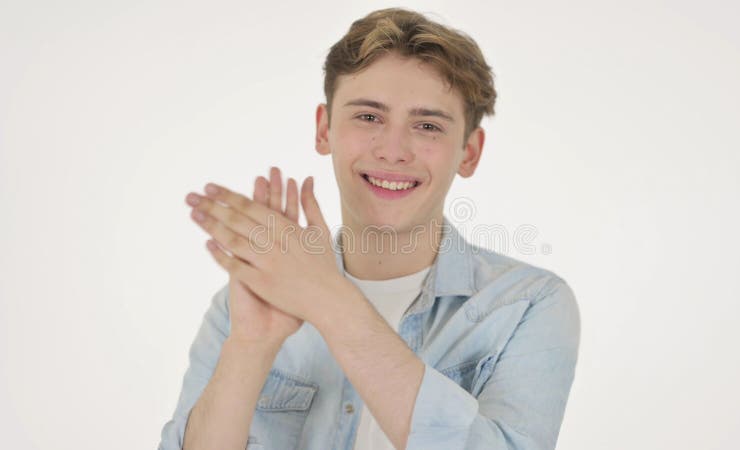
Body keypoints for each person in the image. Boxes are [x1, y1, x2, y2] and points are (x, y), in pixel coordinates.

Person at [159, 7, 580, 450]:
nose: (393, 150)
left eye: (427, 126)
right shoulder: (242, 303)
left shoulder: (528, 305)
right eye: (368, 117)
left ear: (469, 153)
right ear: (324, 130)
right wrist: (250, 346)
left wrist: (330, 302)